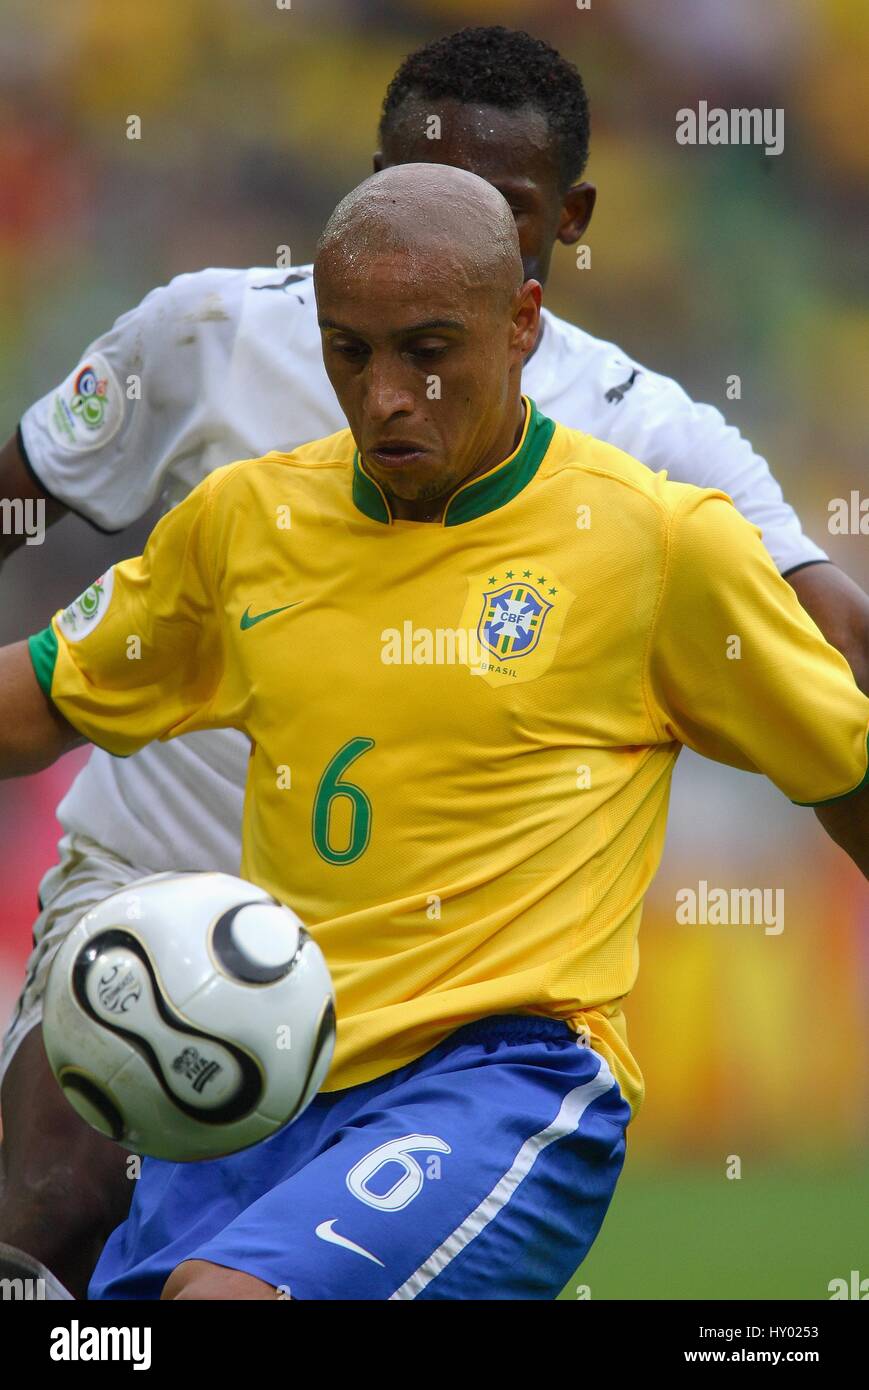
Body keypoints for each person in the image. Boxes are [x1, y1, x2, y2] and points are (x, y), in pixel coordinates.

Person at [1, 25, 868, 1298]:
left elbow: (833, 686)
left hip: (488, 1061)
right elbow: (35, 686)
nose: (385, 397)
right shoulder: (236, 454)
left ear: (539, 272)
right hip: (169, 933)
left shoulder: (656, 496)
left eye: (425, 352)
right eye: (351, 354)